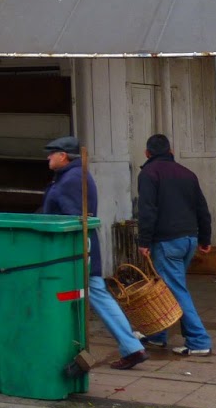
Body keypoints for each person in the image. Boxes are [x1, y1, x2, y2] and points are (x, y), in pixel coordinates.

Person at [38, 135, 146, 370]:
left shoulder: (71, 180)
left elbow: (75, 220)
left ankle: (131, 347)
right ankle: (131, 347)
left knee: (94, 293)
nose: (48, 157)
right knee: (95, 294)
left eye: (51, 153)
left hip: (75, 252)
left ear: (63, 156)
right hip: (78, 251)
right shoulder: (70, 176)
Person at [136, 133, 214, 357]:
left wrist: (144, 241)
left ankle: (199, 340)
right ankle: (157, 335)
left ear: (147, 153)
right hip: (188, 239)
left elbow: (147, 210)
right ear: (170, 151)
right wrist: (205, 239)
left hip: (166, 241)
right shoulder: (187, 174)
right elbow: (202, 209)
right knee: (168, 288)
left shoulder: (149, 174)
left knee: (176, 291)